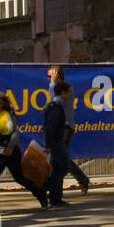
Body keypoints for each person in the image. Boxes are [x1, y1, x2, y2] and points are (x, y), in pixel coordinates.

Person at [0, 92, 48, 212]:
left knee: (18, 178)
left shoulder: (8, 116)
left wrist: (10, 147)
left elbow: (14, 134)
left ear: (0, 104)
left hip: (10, 153)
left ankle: (41, 195)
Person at [47, 67, 90, 195]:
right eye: (49, 77)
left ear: (57, 75)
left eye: (50, 76)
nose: (49, 79)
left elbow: (55, 101)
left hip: (65, 127)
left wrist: (53, 83)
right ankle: (81, 180)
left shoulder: (66, 89)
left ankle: (55, 192)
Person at [44, 80, 73, 208]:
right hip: (56, 143)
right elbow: (50, 127)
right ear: (63, 92)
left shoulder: (55, 105)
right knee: (63, 166)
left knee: (57, 168)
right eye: (68, 92)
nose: (70, 95)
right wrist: (49, 144)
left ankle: (55, 197)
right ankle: (47, 189)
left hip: (55, 142)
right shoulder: (56, 106)